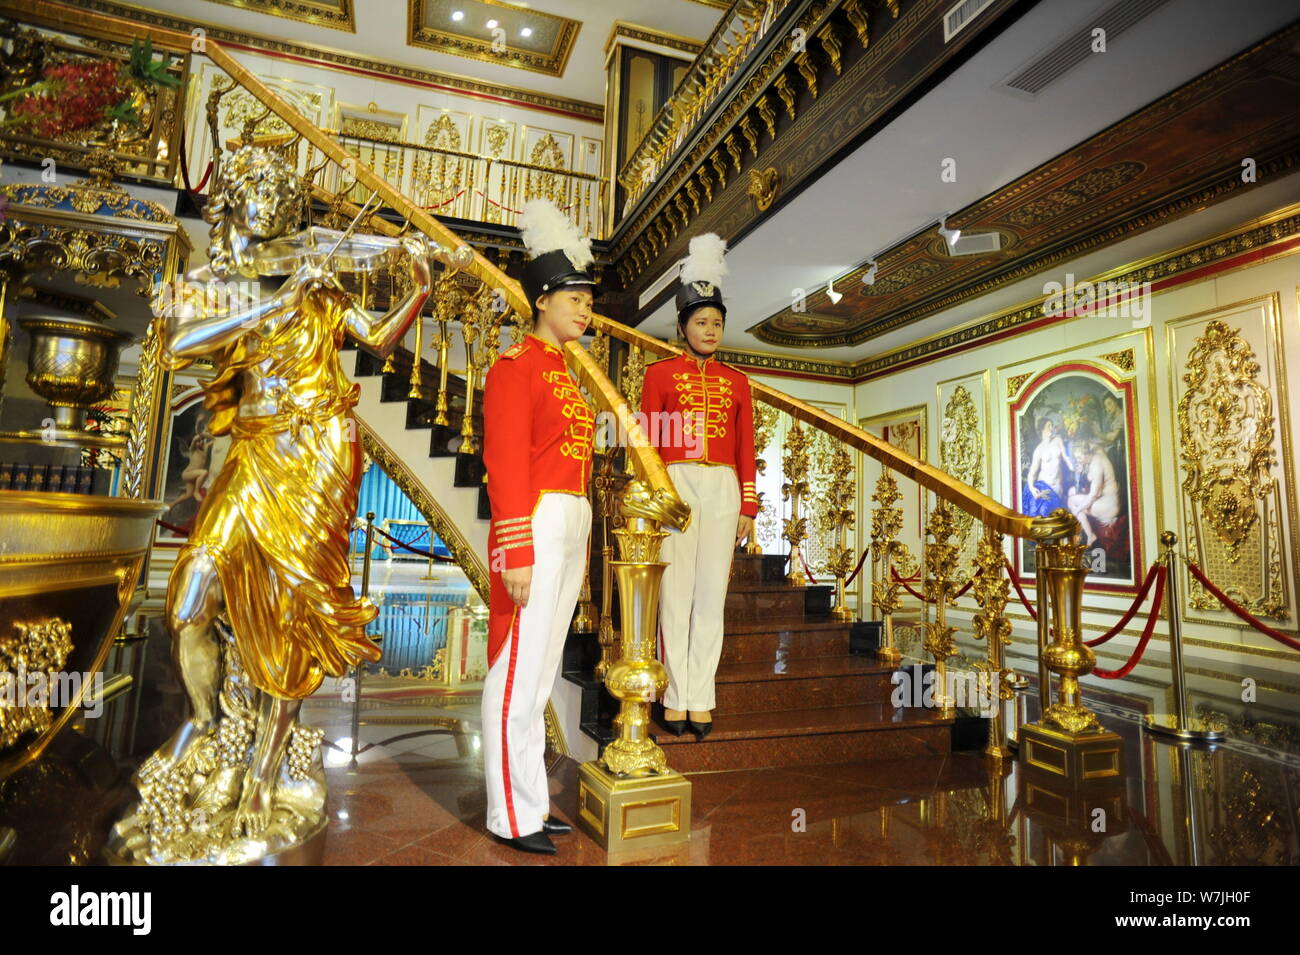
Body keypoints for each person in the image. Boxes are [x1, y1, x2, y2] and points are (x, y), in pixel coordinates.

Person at [147, 144, 431, 840]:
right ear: (237, 204)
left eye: (283, 197)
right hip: (252, 451)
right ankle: (209, 727)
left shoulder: (319, 284)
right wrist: (271, 301)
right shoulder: (223, 280)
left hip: (316, 456)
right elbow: (178, 343)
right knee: (190, 596)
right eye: (262, 195)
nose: (274, 208)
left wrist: (419, 287)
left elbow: (378, 342)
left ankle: (268, 763)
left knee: (290, 614)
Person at [481, 198, 595, 855]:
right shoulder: (514, 369)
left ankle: (531, 799)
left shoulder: (566, 375)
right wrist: (515, 549)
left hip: (569, 521)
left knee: (543, 670)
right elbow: (505, 466)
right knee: (515, 671)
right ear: (543, 301)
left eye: (586, 299)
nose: (584, 308)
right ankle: (507, 812)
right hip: (536, 524)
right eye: (573, 297)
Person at [640, 233, 758, 740]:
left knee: (712, 595)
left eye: (717, 323)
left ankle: (701, 697)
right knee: (675, 593)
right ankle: (674, 697)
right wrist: (656, 495)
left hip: (725, 488)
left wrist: (748, 506)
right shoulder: (660, 374)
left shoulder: (738, 382)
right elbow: (646, 442)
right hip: (678, 483)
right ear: (683, 326)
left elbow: (747, 446)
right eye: (701, 322)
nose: (710, 330)